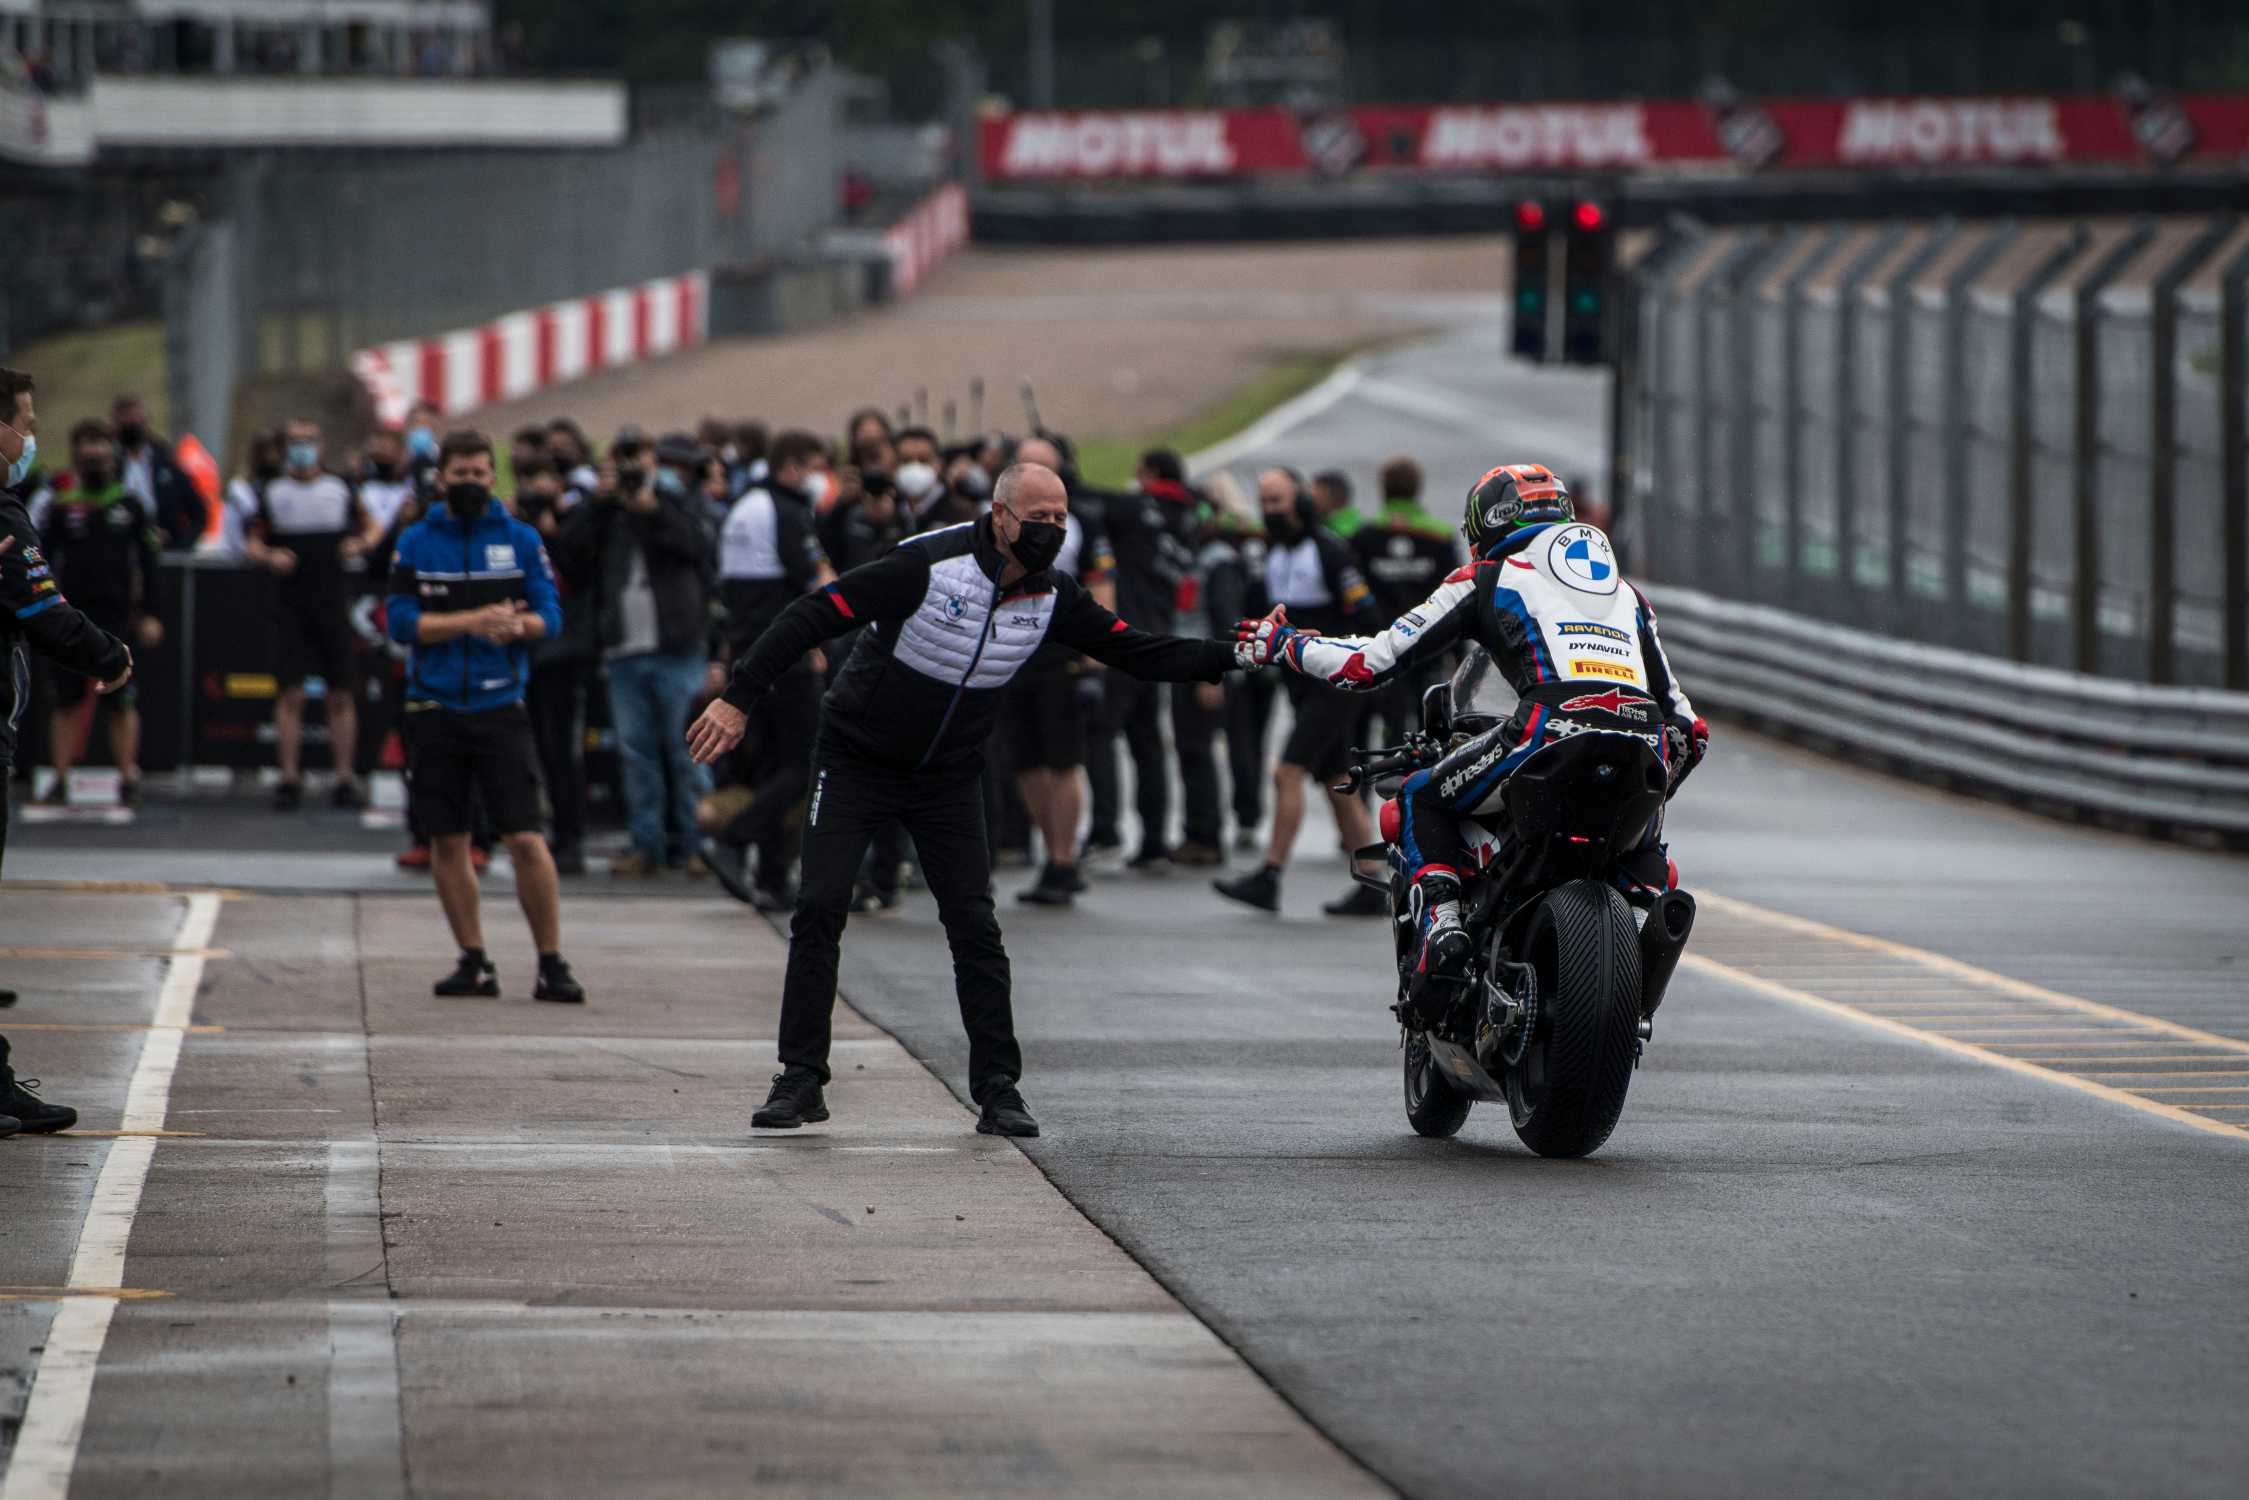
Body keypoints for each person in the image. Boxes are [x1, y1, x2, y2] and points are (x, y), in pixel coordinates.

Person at [685, 462, 1255, 1138]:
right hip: (856, 757)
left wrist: (1248, 653)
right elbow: (813, 614)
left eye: (1060, 520)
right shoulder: (925, 565)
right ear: (999, 514)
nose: (1050, 531)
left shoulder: (1053, 596)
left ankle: (998, 1090)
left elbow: (1142, 652)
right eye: (1037, 518)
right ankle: (800, 1078)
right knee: (818, 908)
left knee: (975, 928)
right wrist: (738, 697)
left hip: (947, 776)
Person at [1235, 464, 1707, 1001]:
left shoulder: (1489, 578)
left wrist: (1285, 644)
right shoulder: (1628, 597)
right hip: (1641, 738)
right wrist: (1656, 793)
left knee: (1417, 797)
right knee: (1644, 857)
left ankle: (1445, 927)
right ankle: (1648, 932)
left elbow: (1370, 662)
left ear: (1487, 523)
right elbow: (1691, 729)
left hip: (1545, 730)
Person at [384, 429, 583, 1003]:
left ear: (492, 476)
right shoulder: (416, 542)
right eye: (459, 474)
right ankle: (473, 959)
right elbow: (398, 622)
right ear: (441, 478)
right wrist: (470, 622)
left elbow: (551, 615)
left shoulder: (520, 540)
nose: (469, 483)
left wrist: (517, 626)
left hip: (501, 705)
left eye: (478, 474)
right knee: (448, 840)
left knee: (526, 838)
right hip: (434, 705)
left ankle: (551, 961)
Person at [0, 366, 134, 1135]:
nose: (30, 436)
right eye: (23, 420)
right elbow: (44, 611)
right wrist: (110, 657)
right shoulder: (6, 513)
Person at [1214, 468, 1383, 917]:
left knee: (1286, 773)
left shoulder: (1330, 552)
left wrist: (1322, 640)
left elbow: (1368, 619)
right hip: (1300, 689)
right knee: (1337, 784)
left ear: (1302, 501)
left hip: (1334, 687)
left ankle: (1269, 877)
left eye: (1278, 502)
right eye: (1265, 502)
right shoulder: (1271, 554)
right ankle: (1374, 885)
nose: (1271, 511)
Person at [560, 429, 715, 875]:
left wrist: (652, 508)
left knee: (685, 750)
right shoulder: (606, 510)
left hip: (676, 646)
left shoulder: (676, 501)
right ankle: (646, 843)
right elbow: (571, 557)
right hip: (624, 648)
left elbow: (698, 547)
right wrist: (599, 502)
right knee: (637, 753)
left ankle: (695, 845)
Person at [701, 429, 831, 907]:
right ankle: (734, 841)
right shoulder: (786, 510)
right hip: (784, 652)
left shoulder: (747, 505)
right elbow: (811, 583)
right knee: (804, 764)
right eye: (814, 467)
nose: (818, 479)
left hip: (748, 649)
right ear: (793, 466)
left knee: (777, 766)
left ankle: (774, 876)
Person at [244, 417, 378, 811]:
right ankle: (289, 776)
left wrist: (358, 545)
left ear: (320, 446)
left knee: (340, 692)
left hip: (332, 601)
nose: (303, 449)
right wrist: (269, 555)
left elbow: (372, 526)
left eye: (310, 441)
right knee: (291, 693)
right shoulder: (272, 491)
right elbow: (251, 540)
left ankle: (344, 777)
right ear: (286, 449)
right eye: (295, 442)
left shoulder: (340, 488)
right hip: (290, 603)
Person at [1079, 446, 1199, 871]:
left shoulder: (1135, 509)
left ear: (1148, 473)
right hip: (1161, 640)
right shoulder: (1189, 514)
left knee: (1100, 731)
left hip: (1125, 639)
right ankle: (1153, 839)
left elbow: (1084, 498)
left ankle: (1106, 829)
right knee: (1147, 741)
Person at [30, 420, 162, 806]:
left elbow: (150, 563)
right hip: (70, 616)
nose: (95, 456)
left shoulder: (130, 503)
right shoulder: (60, 504)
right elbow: (40, 560)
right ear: (76, 453)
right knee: (66, 700)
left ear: (112, 453)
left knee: (123, 699)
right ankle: (59, 778)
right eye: (87, 448)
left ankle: (127, 777)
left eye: (101, 447)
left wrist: (151, 613)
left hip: (118, 615)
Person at [1350, 455, 1464, 748]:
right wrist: (1461, 657)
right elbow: (1460, 596)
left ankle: (1386, 785)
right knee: (1431, 723)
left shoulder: (1363, 536)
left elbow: (1352, 595)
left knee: (1389, 723)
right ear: (1417, 489)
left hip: (1382, 645)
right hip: (1431, 645)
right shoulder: (1439, 536)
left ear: (1383, 489)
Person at [516, 456, 593, 872]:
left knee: (563, 749)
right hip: (527, 649)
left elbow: (579, 571)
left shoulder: (578, 519)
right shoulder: (515, 530)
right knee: (536, 749)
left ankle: (571, 835)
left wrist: (552, 531)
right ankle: (537, 829)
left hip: (564, 650)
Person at [110, 393, 207, 550]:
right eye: (127, 422)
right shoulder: (108, 464)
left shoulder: (166, 462)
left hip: (164, 553)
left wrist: (180, 548)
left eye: (138, 421)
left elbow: (199, 513)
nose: (134, 426)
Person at [1312, 467, 1362, 539]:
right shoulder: (1360, 520)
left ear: (1338, 495)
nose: (1311, 501)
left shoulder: (1342, 532)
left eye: (1317, 495)